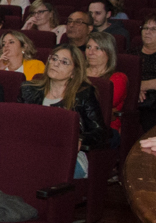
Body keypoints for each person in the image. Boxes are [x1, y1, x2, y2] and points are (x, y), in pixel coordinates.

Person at [19, 44, 108, 177]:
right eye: (54, 59)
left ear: (74, 72)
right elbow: (18, 125)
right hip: (33, 150)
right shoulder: (28, 90)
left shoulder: (83, 94)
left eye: (64, 62)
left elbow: (100, 132)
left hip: (70, 155)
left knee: (41, 172)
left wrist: (79, 138)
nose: (55, 64)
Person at [84, 32, 126, 143]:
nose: (91, 52)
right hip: (78, 124)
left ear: (109, 52)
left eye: (97, 48)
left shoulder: (118, 78)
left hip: (106, 130)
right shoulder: (76, 73)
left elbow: (103, 106)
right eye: (88, 47)